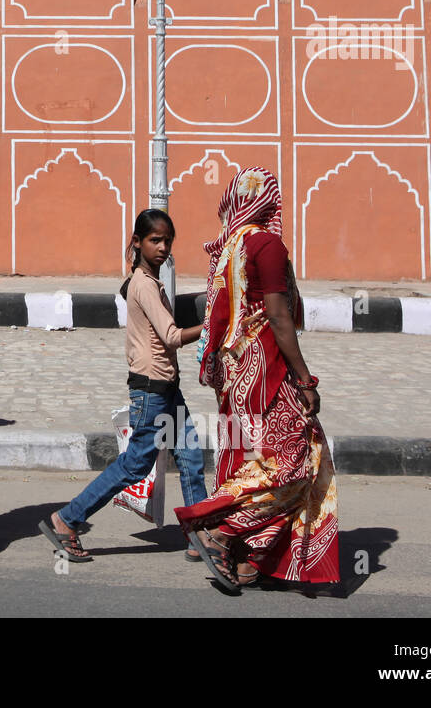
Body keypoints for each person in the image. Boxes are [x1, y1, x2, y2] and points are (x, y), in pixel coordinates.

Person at [176, 167, 339, 594]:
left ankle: (250, 559)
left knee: (251, 457)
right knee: (298, 459)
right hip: (266, 370)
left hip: (235, 373)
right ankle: (221, 530)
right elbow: (279, 317)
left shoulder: (231, 245)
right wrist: (306, 378)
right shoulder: (266, 244)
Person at [38, 209, 205, 561]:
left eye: (167, 241)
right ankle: (67, 519)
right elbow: (172, 337)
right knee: (134, 465)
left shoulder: (149, 281)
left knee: (190, 457)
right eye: (154, 240)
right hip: (151, 391)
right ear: (138, 242)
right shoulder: (144, 284)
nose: (162, 247)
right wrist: (213, 327)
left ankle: (199, 534)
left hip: (166, 388)